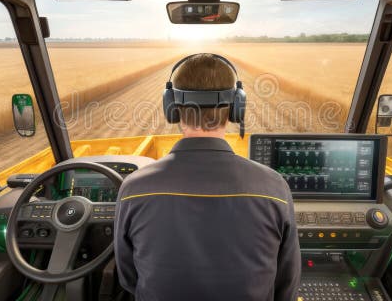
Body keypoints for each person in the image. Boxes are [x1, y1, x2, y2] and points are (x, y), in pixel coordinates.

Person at [114, 53, 301, 301]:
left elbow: (129, 279)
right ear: (236, 107)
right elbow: (286, 284)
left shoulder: (135, 188)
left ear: (171, 106)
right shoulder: (274, 187)